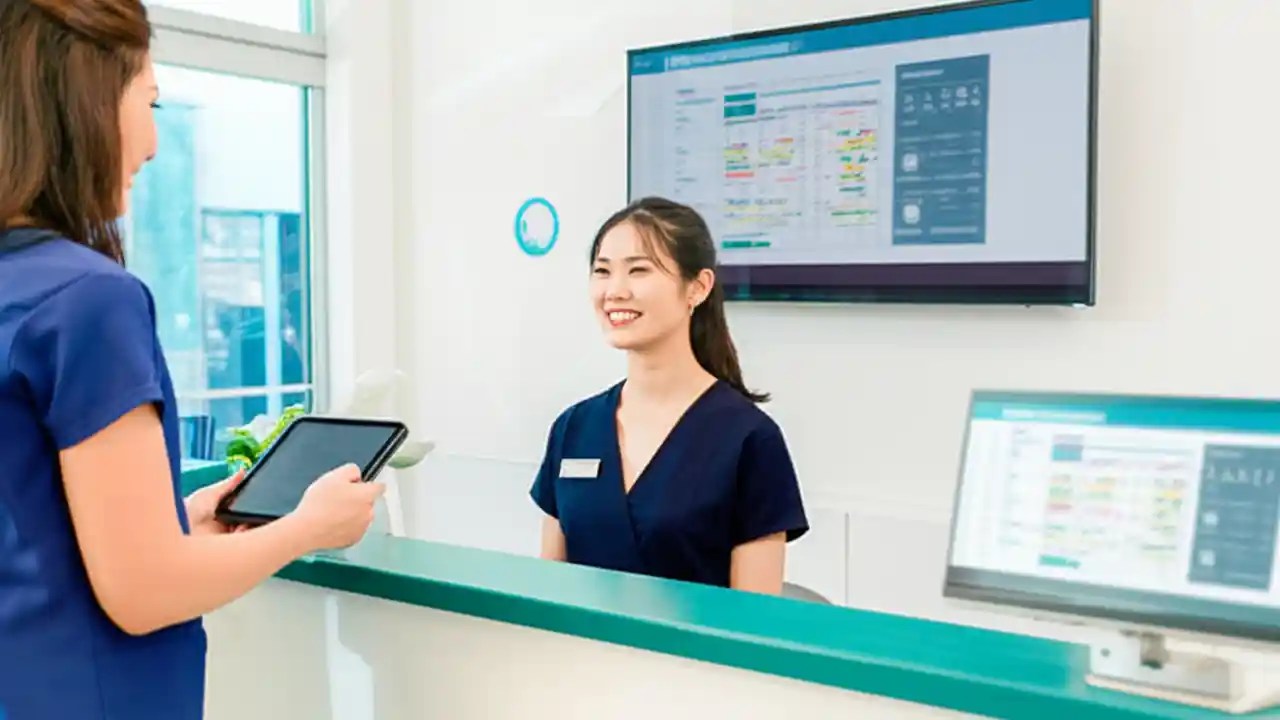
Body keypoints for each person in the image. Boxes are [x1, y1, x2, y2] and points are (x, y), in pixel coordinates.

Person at [0, 2, 384, 718]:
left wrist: (177, 519)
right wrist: (308, 528)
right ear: (83, 101)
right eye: (149, 100)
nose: (151, 143)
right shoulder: (87, 298)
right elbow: (145, 593)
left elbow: (31, 532)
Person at [529, 196, 808, 593]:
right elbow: (549, 591)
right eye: (602, 271)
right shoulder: (574, 428)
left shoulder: (749, 439)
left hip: (694, 657)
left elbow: (755, 624)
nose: (615, 291)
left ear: (697, 287)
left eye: (639, 270)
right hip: (577, 654)